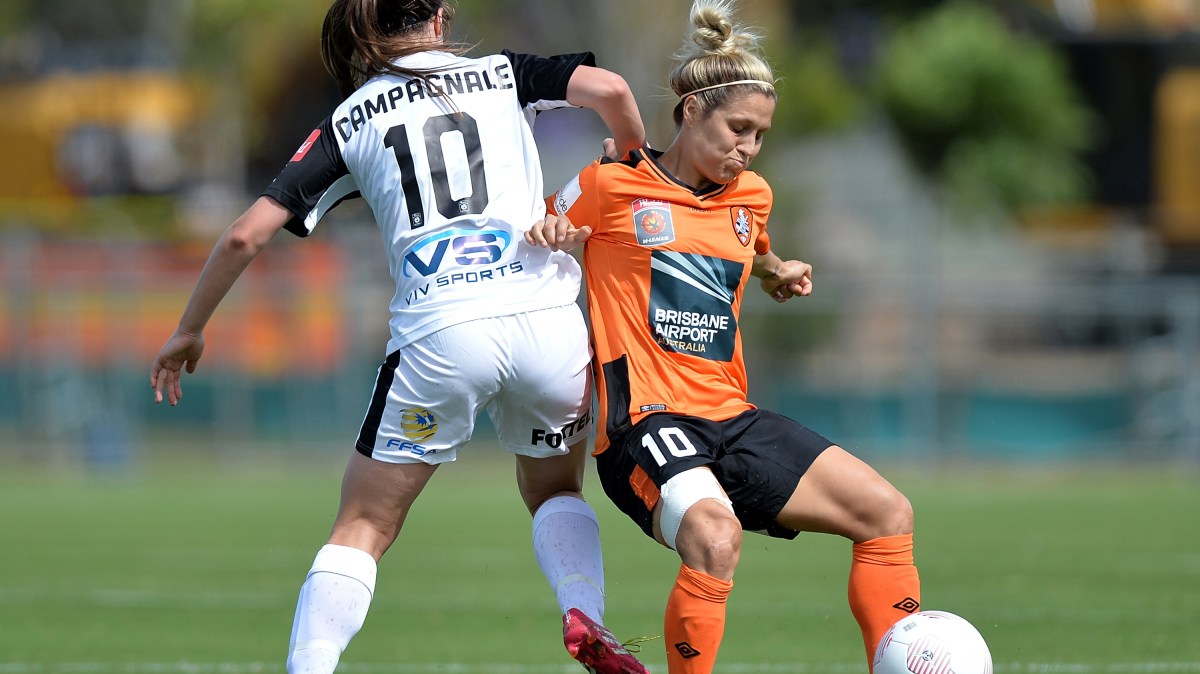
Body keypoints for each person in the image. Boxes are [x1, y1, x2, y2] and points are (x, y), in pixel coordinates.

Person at [149, 2, 649, 673]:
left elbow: (246, 233)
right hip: (549, 321)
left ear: (363, 31)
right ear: (440, 18)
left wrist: (189, 329)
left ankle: (308, 667)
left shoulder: (350, 118)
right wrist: (631, 158)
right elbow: (612, 89)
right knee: (556, 493)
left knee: (363, 527)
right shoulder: (504, 74)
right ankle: (583, 612)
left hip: (443, 330)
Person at [526, 1, 921, 672]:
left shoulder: (752, 198)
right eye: (738, 128)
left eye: (760, 135)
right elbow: (535, 230)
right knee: (715, 536)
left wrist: (776, 270)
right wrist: (550, 231)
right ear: (691, 113)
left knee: (886, 511)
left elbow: (753, 250)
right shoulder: (611, 184)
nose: (748, 148)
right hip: (642, 426)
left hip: (731, 417)